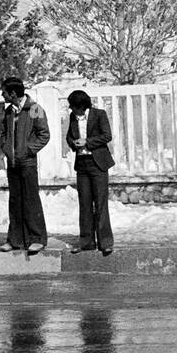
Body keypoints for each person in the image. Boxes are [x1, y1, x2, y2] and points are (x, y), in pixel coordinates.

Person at [0, 78, 51, 255]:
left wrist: (28, 149)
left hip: (27, 162)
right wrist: (6, 148)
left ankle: (37, 239)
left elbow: (44, 134)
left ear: (13, 93)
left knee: (31, 200)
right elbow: (3, 133)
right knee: (15, 201)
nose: (2, 94)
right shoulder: (8, 112)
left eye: (4, 91)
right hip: (12, 163)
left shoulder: (34, 109)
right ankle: (15, 240)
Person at [65, 90, 115, 256]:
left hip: (98, 164)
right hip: (82, 164)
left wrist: (87, 142)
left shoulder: (99, 114)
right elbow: (69, 137)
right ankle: (86, 242)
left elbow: (107, 136)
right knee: (85, 204)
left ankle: (105, 242)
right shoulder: (73, 118)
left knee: (100, 203)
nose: (71, 110)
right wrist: (74, 143)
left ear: (81, 106)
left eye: (73, 106)